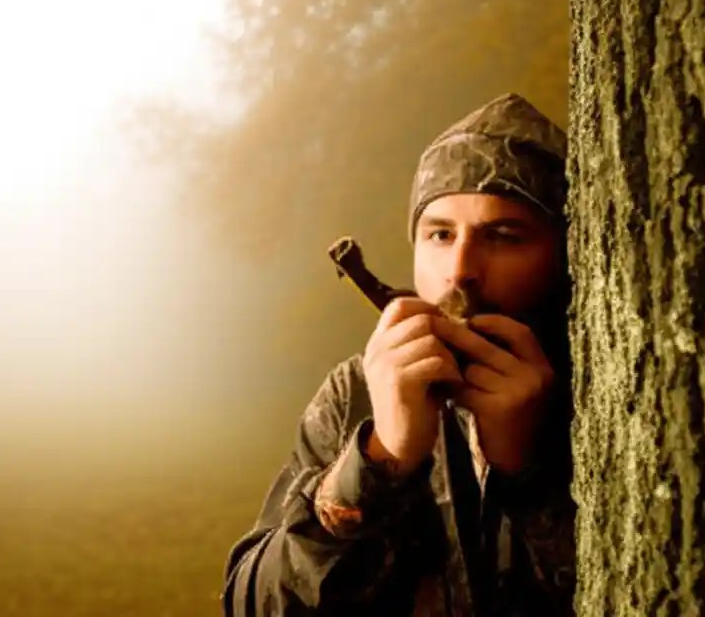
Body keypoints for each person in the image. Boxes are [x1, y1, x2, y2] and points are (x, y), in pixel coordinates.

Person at [221, 93, 577, 616]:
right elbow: (253, 605)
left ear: (563, 253)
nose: (460, 270)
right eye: (439, 234)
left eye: (503, 235)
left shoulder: (601, 387)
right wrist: (378, 462)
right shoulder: (359, 391)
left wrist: (527, 475)